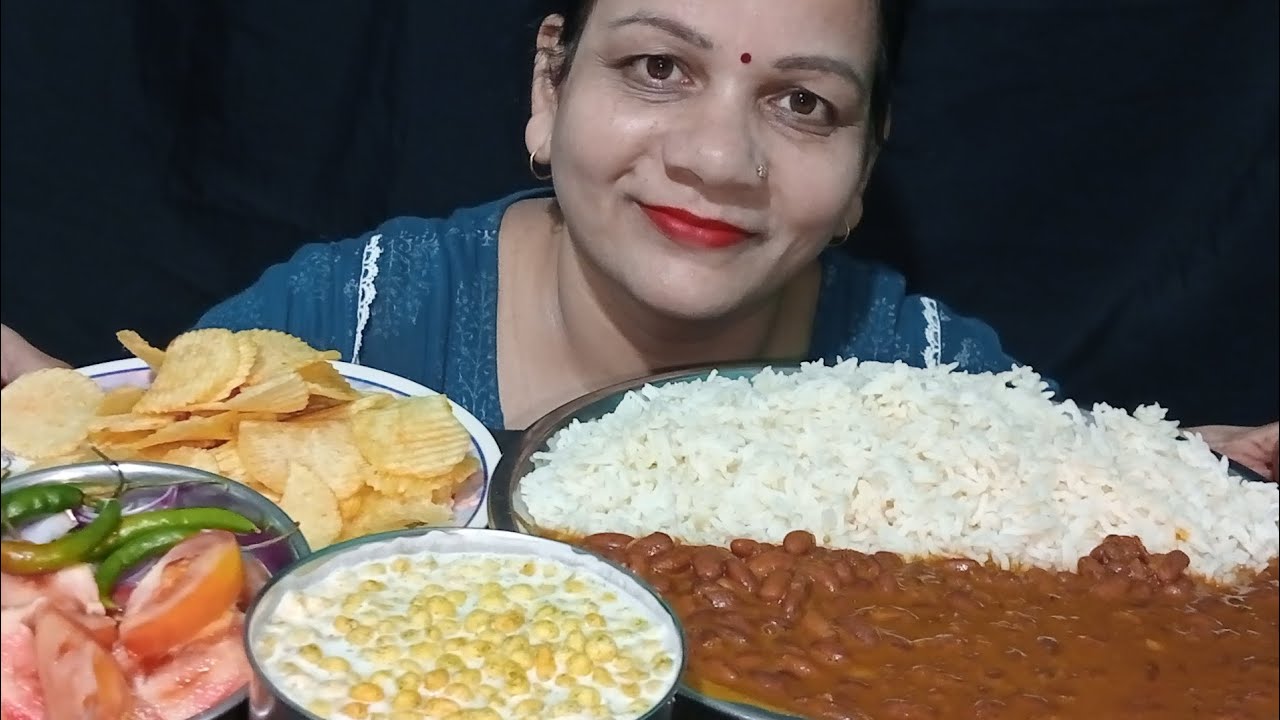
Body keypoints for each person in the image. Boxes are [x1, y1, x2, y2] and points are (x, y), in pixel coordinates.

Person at [2, 0, 1276, 477]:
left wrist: (1192, 489)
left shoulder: (941, 381)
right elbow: (133, 498)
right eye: (657, 67)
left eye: (800, 102)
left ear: (864, 167)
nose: (719, 159)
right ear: (549, 88)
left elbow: (1091, 515)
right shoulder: (340, 320)